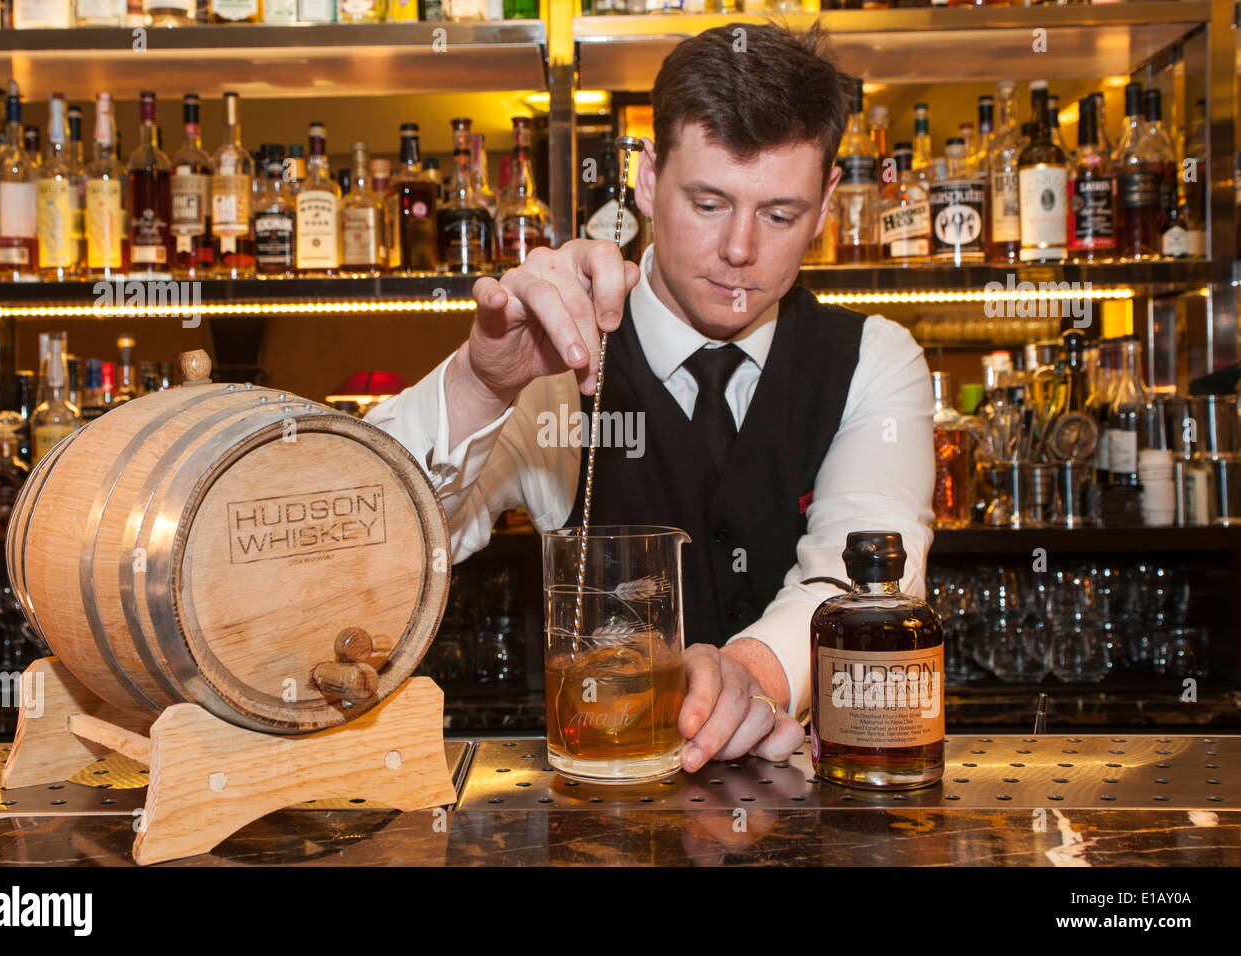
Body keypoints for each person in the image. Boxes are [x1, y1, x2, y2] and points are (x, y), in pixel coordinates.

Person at [368, 21, 934, 774]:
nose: (740, 249)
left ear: (827, 201)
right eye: (708, 203)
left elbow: (865, 570)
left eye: (779, 214)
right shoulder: (557, 356)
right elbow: (369, 543)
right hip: (599, 797)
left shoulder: (871, 359)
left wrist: (752, 674)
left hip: (805, 811)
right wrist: (482, 386)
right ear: (645, 176)